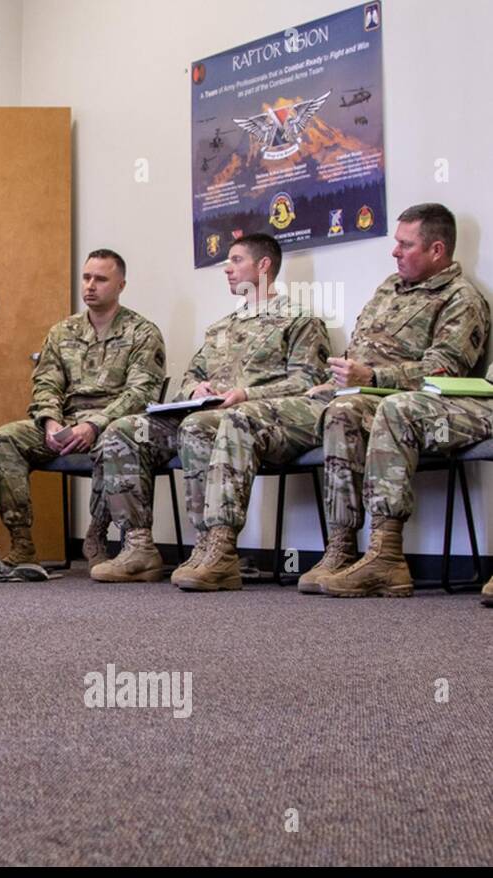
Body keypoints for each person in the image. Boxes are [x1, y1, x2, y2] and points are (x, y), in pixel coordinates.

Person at [180, 203, 489, 592]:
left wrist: (374, 376)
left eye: (404, 245)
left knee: (344, 410)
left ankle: (355, 549)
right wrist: (332, 377)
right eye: (395, 243)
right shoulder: (387, 290)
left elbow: (446, 371)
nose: (394, 251)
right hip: (345, 393)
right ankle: (221, 551)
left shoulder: (461, 299)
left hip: (395, 399)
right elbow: (358, 353)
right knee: (241, 417)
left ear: (437, 250)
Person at [92, 233, 329, 585]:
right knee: (124, 431)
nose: (227, 270)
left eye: (236, 261)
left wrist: (246, 394)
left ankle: (213, 547)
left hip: (253, 421)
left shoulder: (299, 321)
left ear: (263, 265)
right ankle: (138, 547)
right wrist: (195, 388)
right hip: (206, 414)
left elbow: (308, 382)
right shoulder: (221, 328)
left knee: (199, 426)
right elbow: (190, 374)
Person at [0, 249, 165, 568]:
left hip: (114, 423)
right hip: (66, 423)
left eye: (101, 279)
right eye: (86, 277)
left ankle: (97, 532)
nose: (90, 285)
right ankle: (22, 542)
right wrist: (51, 421)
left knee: (115, 438)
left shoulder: (142, 332)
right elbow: (46, 384)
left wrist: (94, 424)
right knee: (4, 439)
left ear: (121, 285)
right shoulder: (62, 332)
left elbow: (141, 392)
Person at [321, 372, 493, 600]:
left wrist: (375, 377)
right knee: (396, 408)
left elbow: (445, 365)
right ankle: (385, 555)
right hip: (483, 398)